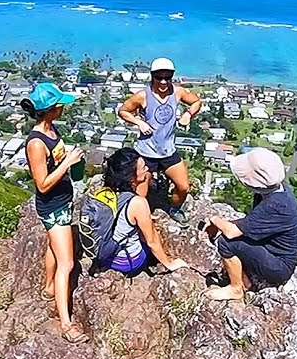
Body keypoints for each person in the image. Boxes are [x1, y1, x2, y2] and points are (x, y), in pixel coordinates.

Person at [22, 82, 88, 343]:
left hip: (63, 200)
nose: (63, 107)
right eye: (59, 104)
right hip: (53, 206)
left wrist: (70, 160)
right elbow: (42, 183)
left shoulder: (52, 131)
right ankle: (66, 324)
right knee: (68, 263)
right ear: (50, 110)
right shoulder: (36, 143)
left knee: (54, 246)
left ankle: (49, 287)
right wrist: (69, 163)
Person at [203, 147, 297, 301]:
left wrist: (215, 220)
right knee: (235, 238)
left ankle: (236, 289)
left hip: (279, 265)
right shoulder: (274, 191)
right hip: (271, 251)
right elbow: (250, 224)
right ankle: (245, 281)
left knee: (226, 243)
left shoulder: (276, 205)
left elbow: (231, 232)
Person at [117, 57, 202, 223]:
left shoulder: (177, 92)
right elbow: (123, 111)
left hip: (168, 151)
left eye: (167, 77)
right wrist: (139, 122)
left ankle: (174, 208)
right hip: (146, 152)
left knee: (183, 186)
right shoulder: (142, 96)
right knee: (140, 194)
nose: (163, 81)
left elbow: (196, 101)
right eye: (159, 77)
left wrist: (188, 114)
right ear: (152, 76)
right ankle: (139, 219)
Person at [100, 148, 191, 275]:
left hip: (104, 256)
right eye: (142, 168)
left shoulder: (104, 192)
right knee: (155, 234)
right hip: (126, 261)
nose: (147, 170)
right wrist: (170, 264)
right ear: (131, 176)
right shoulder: (138, 203)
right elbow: (151, 241)